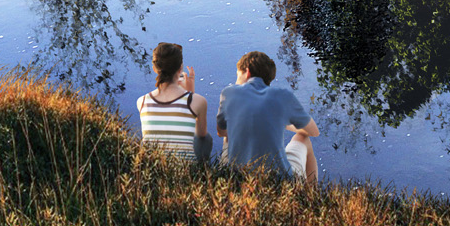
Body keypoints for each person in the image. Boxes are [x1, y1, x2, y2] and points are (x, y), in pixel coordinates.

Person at [216, 50, 319, 184]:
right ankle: (311, 195)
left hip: (236, 178)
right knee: (303, 139)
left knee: (229, 131)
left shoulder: (229, 93)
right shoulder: (283, 95)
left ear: (247, 72)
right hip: (280, 181)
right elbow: (313, 132)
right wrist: (279, 120)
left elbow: (221, 132)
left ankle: (232, 173)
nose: (236, 81)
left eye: (238, 75)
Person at [137, 42, 211, 161]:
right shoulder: (199, 101)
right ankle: (203, 172)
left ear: (154, 68)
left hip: (152, 171)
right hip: (187, 173)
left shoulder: (142, 101)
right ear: (180, 67)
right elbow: (200, 135)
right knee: (206, 138)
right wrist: (190, 95)